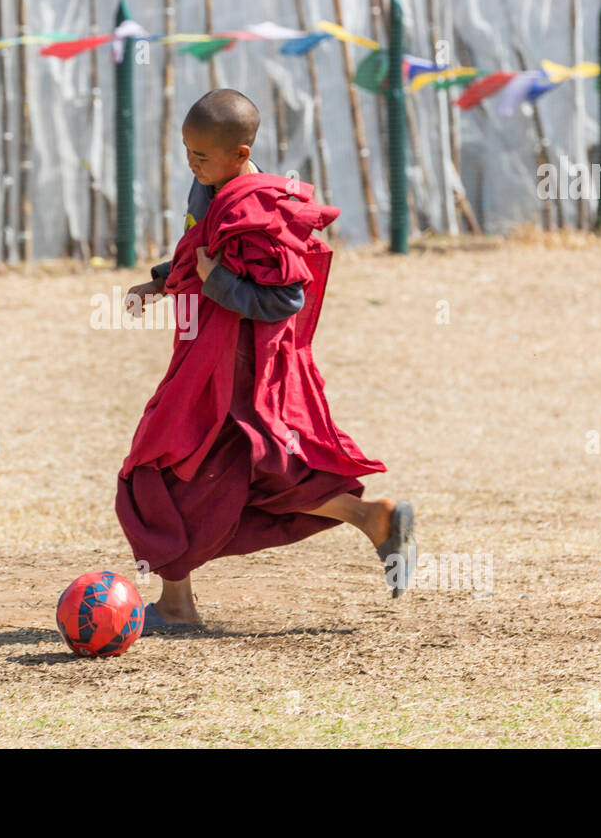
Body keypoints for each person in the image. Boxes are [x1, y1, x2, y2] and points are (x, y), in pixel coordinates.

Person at [116, 88, 415, 634]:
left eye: (201, 156)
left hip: (235, 374)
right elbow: (198, 247)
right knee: (249, 473)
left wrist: (217, 281)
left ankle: (178, 604)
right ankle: (373, 517)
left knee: (160, 465)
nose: (192, 164)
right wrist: (163, 281)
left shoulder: (259, 210)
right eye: (186, 152)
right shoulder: (211, 185)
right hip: (206, 355)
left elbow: (284, 299)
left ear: (240, 152)